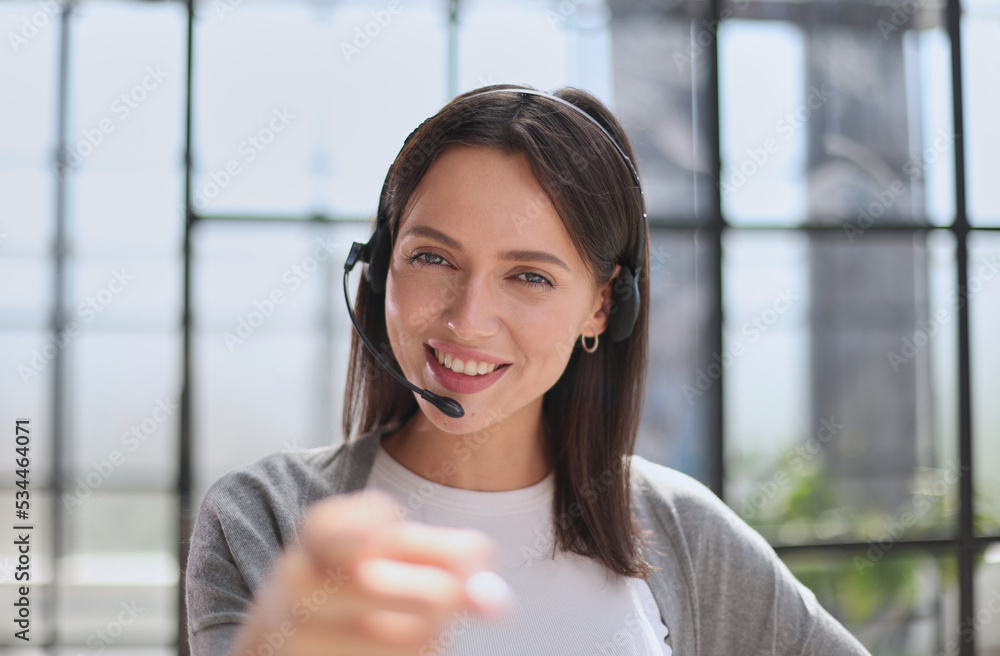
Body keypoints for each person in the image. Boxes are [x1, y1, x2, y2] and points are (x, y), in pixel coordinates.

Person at [185, 83, 872, 656]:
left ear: (601, 306)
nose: (468, 320)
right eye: (433, 258)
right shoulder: (263, 518)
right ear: (381, 264)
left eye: (529, 276)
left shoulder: (681, 531)